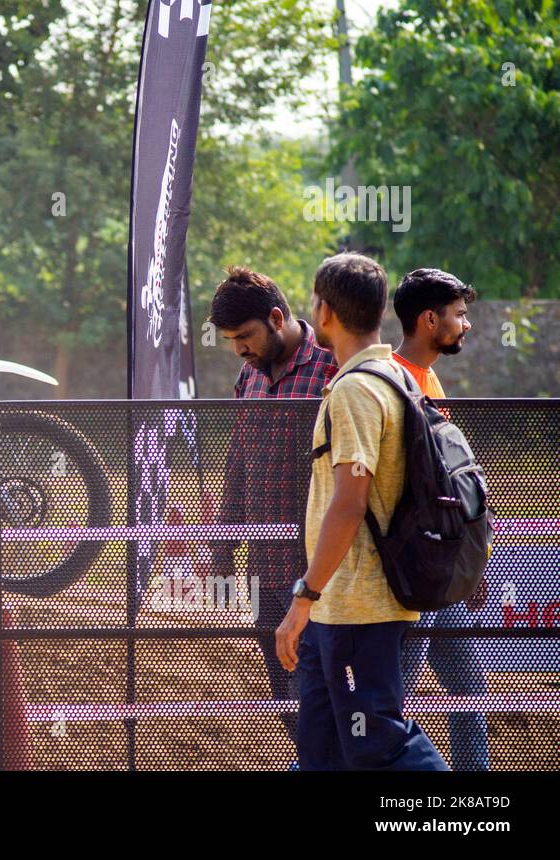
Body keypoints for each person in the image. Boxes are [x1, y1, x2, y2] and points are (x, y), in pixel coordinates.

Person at [276, 252, 448, 770]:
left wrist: (304, 596)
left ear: (325, 311)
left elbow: (349, 505)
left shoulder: (355, 390)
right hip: (341, 605)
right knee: (321, 748)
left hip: (356, 605)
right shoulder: (395, 377)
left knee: (379, 742)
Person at [207, 267, 336, 755]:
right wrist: (223, 549)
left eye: (246, 336)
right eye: (231, 340)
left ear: (277, 318)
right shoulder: (249, 377)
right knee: (286, 700)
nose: (239, 348)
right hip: (263, 571)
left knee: (321, 694)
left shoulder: (331, 369)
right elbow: (237, 462)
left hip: (317, 573)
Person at [392, 268, 490, 771]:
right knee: (393, 699)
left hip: (443, 559)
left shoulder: (429, 376)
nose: (466, 324)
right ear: (430, 320)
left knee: (470, 695)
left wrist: (469, 565)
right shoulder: (392, 378)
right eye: (459, 314)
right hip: (414, 568)